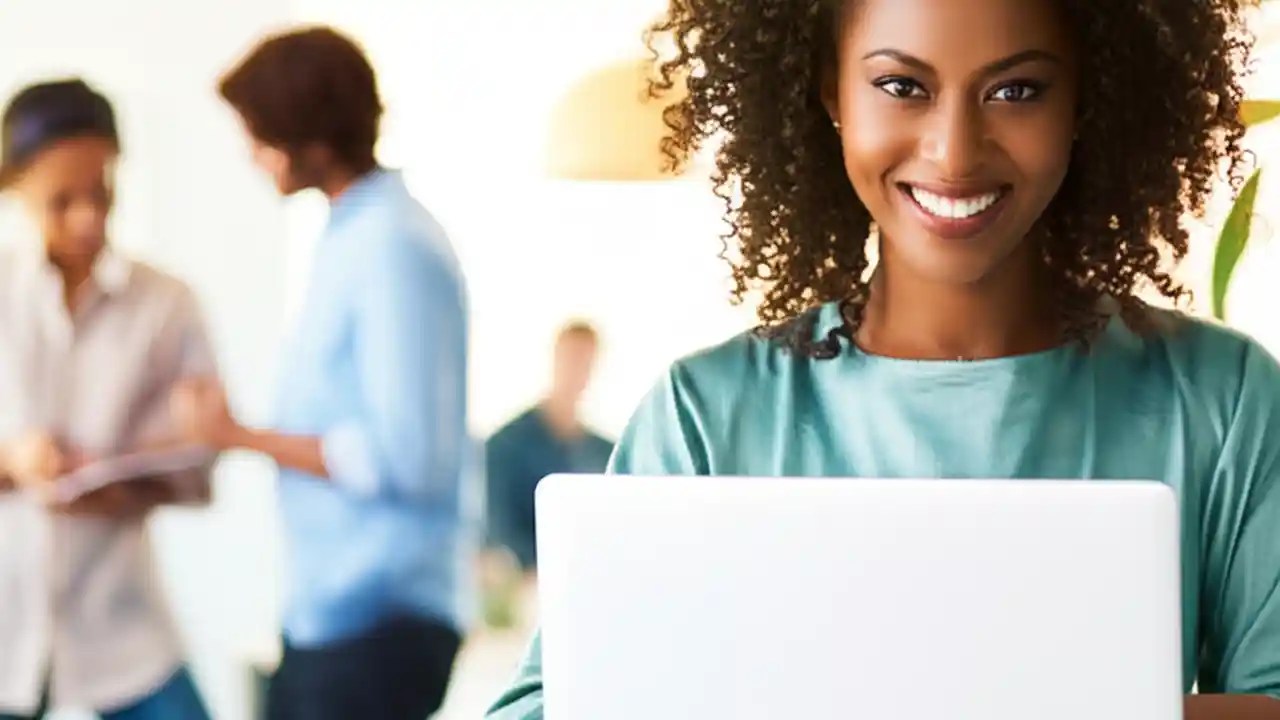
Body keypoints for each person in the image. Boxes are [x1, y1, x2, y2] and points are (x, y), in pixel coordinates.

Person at [487, 0, 1280, 718]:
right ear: (831, 92)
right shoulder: (707, 413)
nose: (954, 151)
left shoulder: (1221, 397)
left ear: (1085, 98)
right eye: (902, 86)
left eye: (1017, 90)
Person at [170, 26, 469, 720]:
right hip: (339, 616)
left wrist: (237, 435)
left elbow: (407, 458)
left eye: (262, 135)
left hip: (378, 620)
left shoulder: (391, 245)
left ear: (313, 138)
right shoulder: (351, 234)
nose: (252, 153)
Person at [0, 79, 215, 720]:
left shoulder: (167, 303)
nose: (88, 218)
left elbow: (197, 456)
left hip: (123, 627)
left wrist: (119, 479)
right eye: (61, 200)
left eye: (102, 193)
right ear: (12, 187)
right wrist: (14, 462)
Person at [485, 321, 614, 575]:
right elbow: (499, 532)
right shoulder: (504, 446)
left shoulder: (604, 452)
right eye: (571, 359)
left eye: (586, 363)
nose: (577, 372)